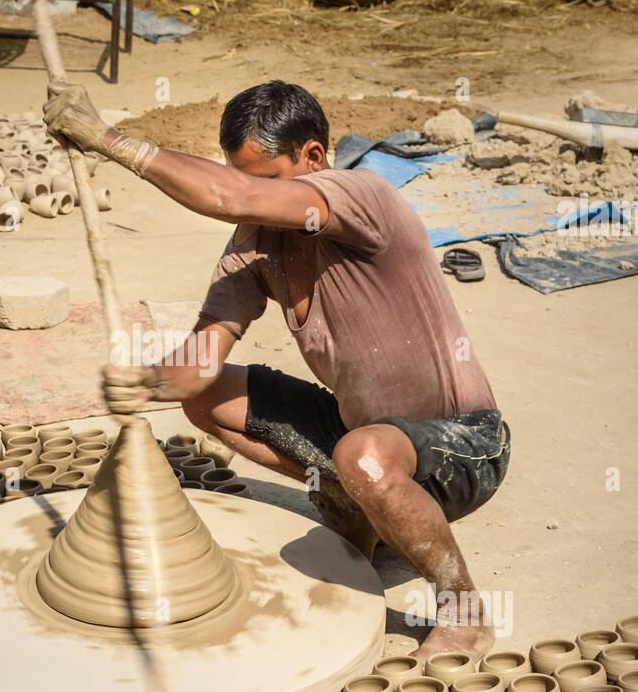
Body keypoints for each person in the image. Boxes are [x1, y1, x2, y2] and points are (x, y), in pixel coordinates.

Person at [43, 79, 509, 659]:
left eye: (263, 182)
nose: (252, 197)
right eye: (242, 177)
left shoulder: (362, 197)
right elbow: (198, 367)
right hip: (361, 437)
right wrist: (145, 382)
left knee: (363, 455)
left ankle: (464, 613)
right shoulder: (255, 246)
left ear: (312, 158)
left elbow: (227, 197)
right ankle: (353, 503)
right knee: (209, 399)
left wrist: (109, 141)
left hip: (462, 446)